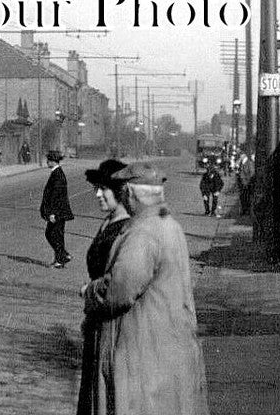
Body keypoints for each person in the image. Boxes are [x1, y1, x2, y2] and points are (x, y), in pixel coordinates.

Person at [81, 162, 210, 415]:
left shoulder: (142, 234)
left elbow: (118, 291)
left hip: (143, 355)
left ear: (129, 193)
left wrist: (89, 291)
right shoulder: (169, 226)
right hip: (166, 349)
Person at [76, 159, 133, 415]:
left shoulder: (125, 229)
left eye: (103, 189)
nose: (98, 194)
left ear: (119, 191)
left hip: (115, 330)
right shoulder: (109, 223)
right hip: (98, 324)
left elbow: (119, 284)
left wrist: (90, 291)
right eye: (96, 188)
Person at [40, 148, 74, 268]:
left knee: (52, 234)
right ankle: (61, 257)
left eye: (48, 160)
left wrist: (52, 213)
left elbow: (56, 196)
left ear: (53, 161)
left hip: (58, 212)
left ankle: (61, 257)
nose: (47, 162)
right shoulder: (57, 173)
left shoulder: (57, 175)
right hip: (59, 211)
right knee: (55, 235)